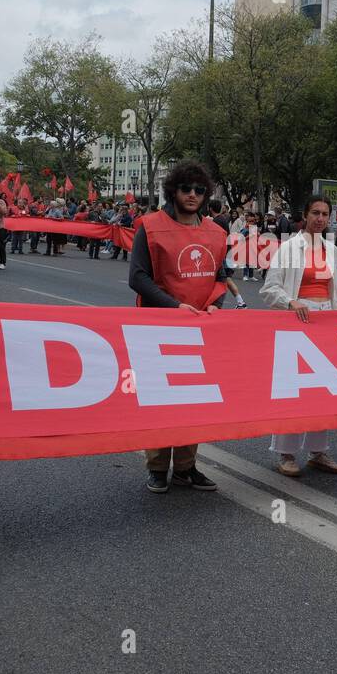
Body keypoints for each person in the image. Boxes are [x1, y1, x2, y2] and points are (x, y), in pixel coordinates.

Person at [128, 163, 230, 494]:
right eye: (186, 188)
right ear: (173, 190)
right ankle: (158, 467)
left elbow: (219, 278)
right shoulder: (150, 226)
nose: (192, 195)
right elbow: (138, 277)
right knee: (161, 399)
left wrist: (216, 304)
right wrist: (174, 307)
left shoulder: (217, 233)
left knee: (192, 400)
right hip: (158, 325)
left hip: (198, 328)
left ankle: (186, 468)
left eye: (199, 190)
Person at [258, 195, 337, 475]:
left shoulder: (332, 250)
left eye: (325, 214)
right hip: (297, 322)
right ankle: (286, 454)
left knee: (323, 388)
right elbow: (269, 288)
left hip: (326, 322)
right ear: (305, 215)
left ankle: (318, 451)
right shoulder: (290, 248)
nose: (320, 218)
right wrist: (291, 302)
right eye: (315, 212)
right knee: (293, 388)